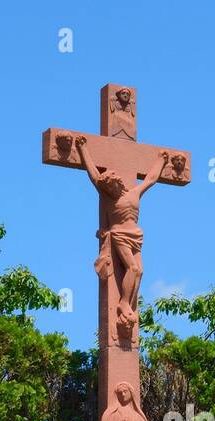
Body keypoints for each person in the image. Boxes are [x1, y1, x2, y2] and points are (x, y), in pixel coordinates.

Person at [76, 135, 168, 338]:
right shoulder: (109, 200)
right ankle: (123, 302)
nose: (110, 188)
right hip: (119, 234)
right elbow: (93, 175)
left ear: (118, 183)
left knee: (140, 271)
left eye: (112, 185)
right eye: (108, 187)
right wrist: (83, 149)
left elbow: (151, 179)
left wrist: (161, 161)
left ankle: (129, 302)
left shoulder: (134, 194)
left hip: (136, 234)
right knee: (133, 268)